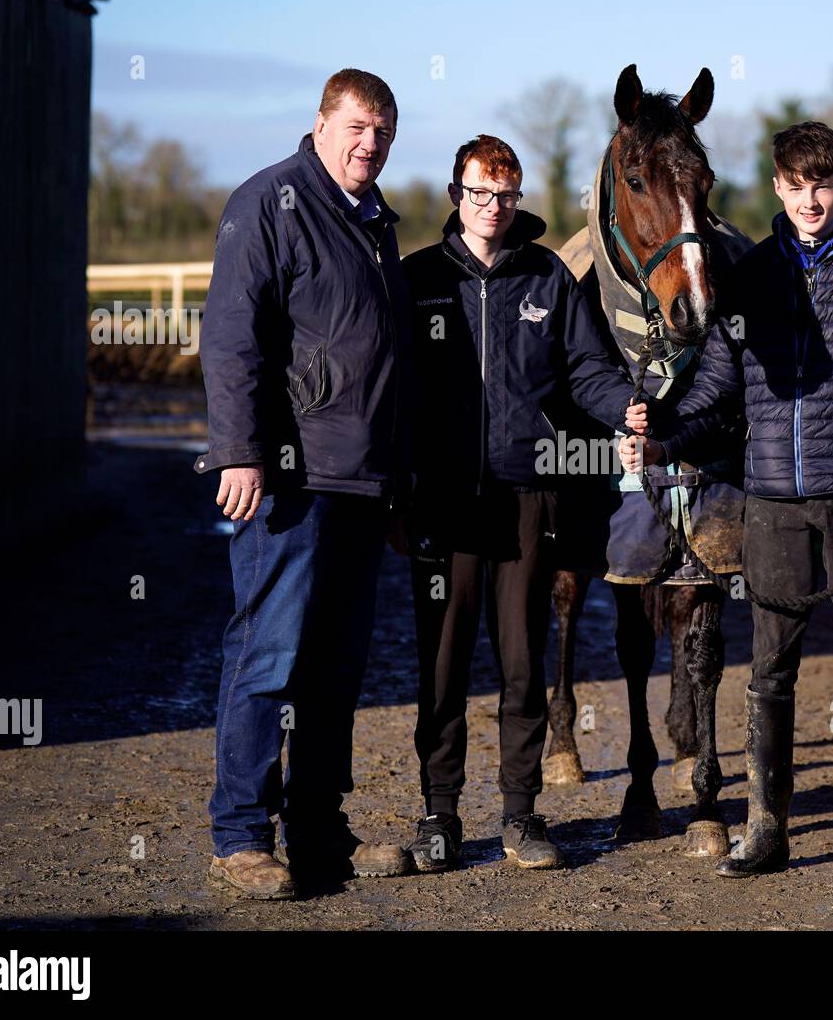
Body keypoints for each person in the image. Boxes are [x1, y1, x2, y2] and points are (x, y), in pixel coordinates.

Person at [620, 121, 833, 882]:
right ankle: (766, 829)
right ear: (776, 188)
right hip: (770, 503)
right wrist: (662, 434)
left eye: (823, 185)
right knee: (770, 673)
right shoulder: (751, 274)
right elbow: (718, 391)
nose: (811, 200)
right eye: (796, 187)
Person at [380, 135, 647, 874]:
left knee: (524, 661)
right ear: (454, 195)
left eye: (505, 195)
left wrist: (623, 408)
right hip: (446, 505)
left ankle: (522, 815)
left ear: (517, 198)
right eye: (477, 193)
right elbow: (395, 395)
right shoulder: (420, 280)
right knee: (442, 664)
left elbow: (588, 368)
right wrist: (396, 494)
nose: (492, 208)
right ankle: (440, 813)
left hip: (531, 501)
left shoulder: (548, 278)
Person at [195, 68, 412, 898]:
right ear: (321, 123)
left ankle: (320, 830)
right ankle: (241, 836)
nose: (371, 143)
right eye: (358, 126)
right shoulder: (270, 202)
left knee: (336, 665)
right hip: (290, 478)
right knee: (269, 653)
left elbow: (391, 362)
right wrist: (239, 451)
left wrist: (398, 482)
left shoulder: (376, 222)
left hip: (360, 481)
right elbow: (231, 338)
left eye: (384, 131)